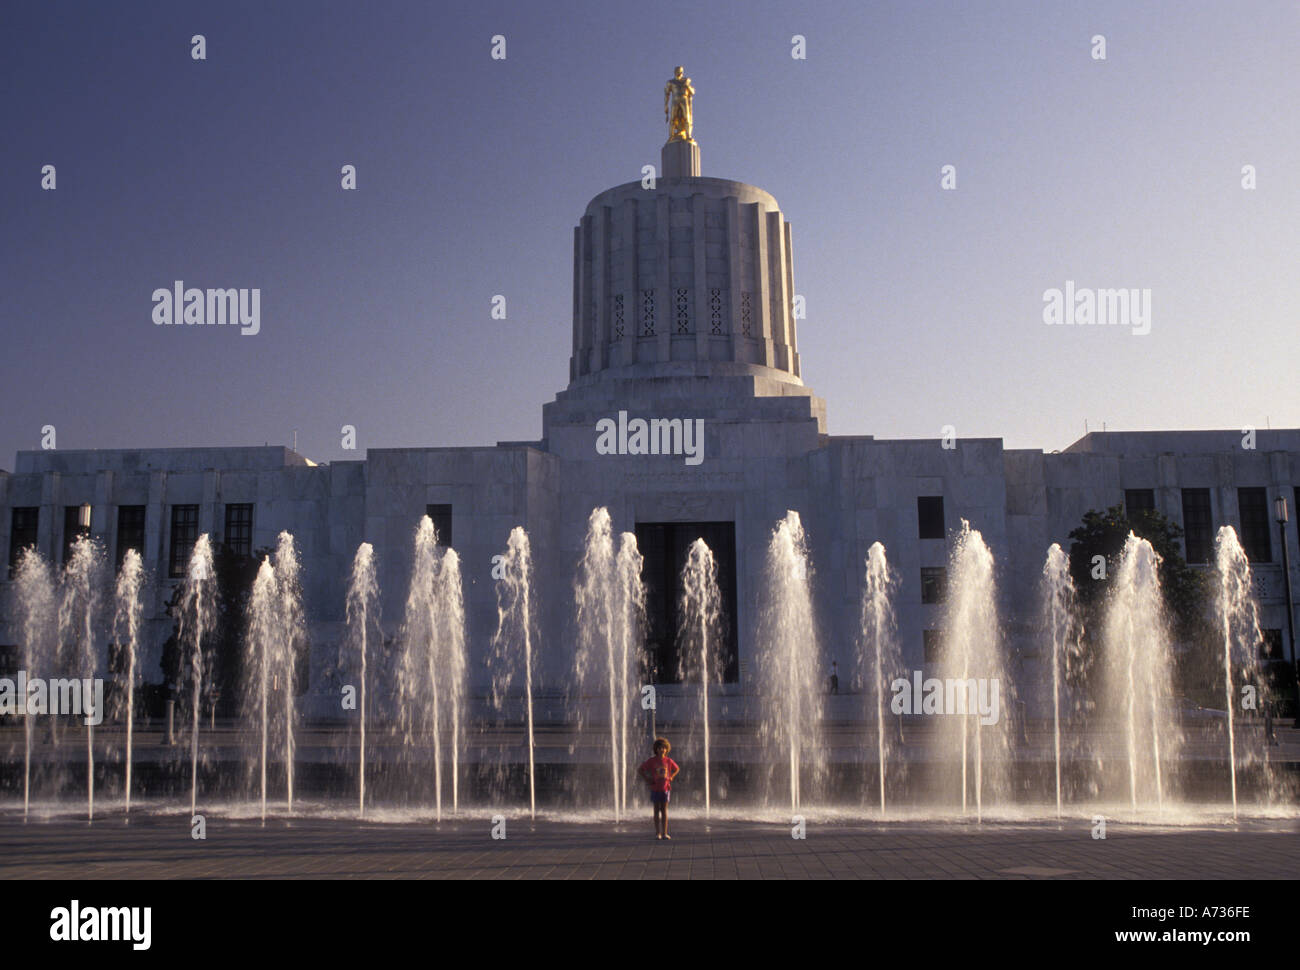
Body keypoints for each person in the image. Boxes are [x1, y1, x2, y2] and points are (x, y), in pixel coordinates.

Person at [638, 737, 680, 840]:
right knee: (656, 810)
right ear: (656, 749)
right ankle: (658, 833)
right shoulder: (652, 761)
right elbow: (640, 769)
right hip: (655, 788)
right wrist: (647, 779)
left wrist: (671, 777)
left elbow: (677, 768)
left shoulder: (668, 761)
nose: (662, 750)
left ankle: (665, 832)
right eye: (660, 748)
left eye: (664, 748)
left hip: (665, 789)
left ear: (667, 749)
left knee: (664, 811)